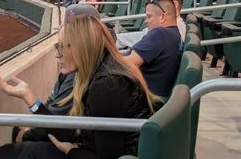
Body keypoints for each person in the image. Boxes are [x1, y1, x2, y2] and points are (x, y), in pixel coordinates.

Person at [13, 12, 154, 159]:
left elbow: (109, 156)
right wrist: (30, 99)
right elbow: (73, 133)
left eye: (62, 46)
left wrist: (71, 151)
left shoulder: (106, 86)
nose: (57, 54)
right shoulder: (104, 70)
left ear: (81, 47)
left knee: (21, 152)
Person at [123, 0, 183, 97]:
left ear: (162, 17)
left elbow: (128, 64)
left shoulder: (160, 34)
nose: (146, 21)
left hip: (142, 98)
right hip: (148, 95)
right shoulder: (173, 35)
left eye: (149, 16)